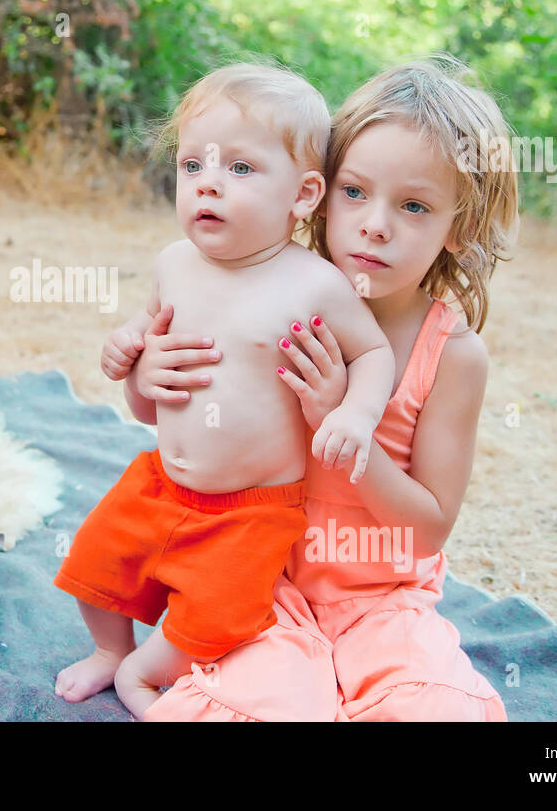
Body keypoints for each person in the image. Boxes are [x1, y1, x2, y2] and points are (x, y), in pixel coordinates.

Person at [134, 55, 518, 721]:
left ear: (458, 228)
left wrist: (345, 424)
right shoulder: (274, 295)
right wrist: (147, 375)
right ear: (315, 191)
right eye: (355, 192)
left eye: (414, 205)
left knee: (436, 711)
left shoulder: (451, 355)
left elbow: (427, 530)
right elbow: (184, 415)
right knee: (261, 708)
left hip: (379, 597)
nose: (375, 223)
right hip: (257, 577)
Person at [53, 61, 396, 719]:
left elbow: (374, 351)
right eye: (193, 167)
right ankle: (108, 650)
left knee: (217, 615)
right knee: (93, 563)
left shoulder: (313, 284)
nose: (208, 184)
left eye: (239, 169)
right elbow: (148, 363)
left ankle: (149, 670)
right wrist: (129, 355)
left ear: (301, 196)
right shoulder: (174, 265)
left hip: (251, 508)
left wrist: (356, 412)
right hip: (160, 481)